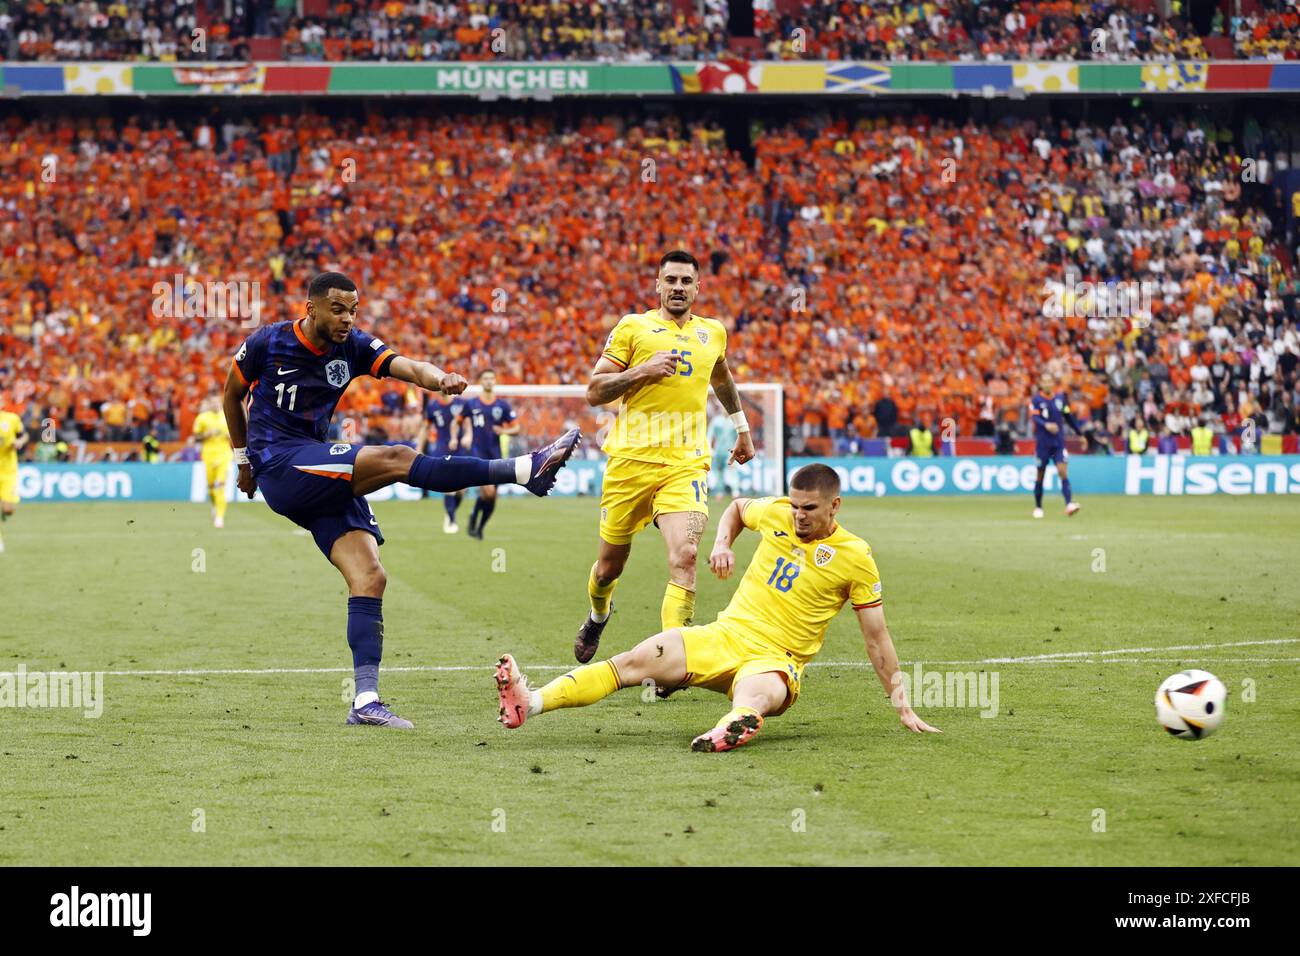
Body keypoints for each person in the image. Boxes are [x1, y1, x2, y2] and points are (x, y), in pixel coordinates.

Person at [223, 272, 580, 729]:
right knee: (396, 457)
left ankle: (364, 701)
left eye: (354, 309)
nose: (348, 318)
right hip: (279, 462)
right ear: (310, 308)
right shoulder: (268, 342)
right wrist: (244, 461)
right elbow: (232, 394)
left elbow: (404, 364)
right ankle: (524, 470)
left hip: (313, 466)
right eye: (338, 309)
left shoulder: (351, 346)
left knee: (370, 576)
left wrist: (439, 379)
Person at [495, 463, 940, 751]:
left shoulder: (855, 556)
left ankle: (733, 725)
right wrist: (723, 544)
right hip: (724, 635)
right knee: (631, 661)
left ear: (834, 506)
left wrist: (900, 700)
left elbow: (876, 635)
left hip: (777, 659)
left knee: (757, 693)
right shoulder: (778, 513)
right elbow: (737, 509)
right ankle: (528, 703)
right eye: (796, 505)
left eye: (810, 508)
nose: (799, 515)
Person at [574, 250, 755, 664]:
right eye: (670, 280)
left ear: (697, 287)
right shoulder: (633, 328)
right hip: (629, 464)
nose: (677, 287)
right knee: (608, 568)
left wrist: (742, 428)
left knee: (686, 555)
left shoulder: (713, 333)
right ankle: (599, 614)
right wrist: (642, 371)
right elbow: (594, 392)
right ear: (658, 285)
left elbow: (722, 377)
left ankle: (673, 657)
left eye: (685, 281)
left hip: (685, 464)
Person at [457, 369, 519, 540]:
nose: (489, 381)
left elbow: (517, 428)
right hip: (477, 453)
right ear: (480, 381)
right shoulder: (471, 404)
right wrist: (465, 435)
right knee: (489, 492)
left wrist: (504, 430)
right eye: (486, 378)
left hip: (496, 453)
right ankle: (475, 521)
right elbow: (458, 422)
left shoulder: (502, 406)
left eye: (492, 378)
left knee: (490, 498)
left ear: (495, 381)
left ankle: (478, 524)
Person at [1030, 372, 1082, 518]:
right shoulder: (1036, 400)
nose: (1047, 383)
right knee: (1040, 475)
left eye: (1049, 381)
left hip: (1058, 443)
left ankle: (1069, 504)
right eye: (1044, 381)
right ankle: (1038, 507)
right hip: (1043, 444)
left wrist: (1080, 434)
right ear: (1041, 384)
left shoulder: (1060, 398)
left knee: (1062, 471)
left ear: (1053, 383)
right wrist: (1046, 425)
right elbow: (1035, 417)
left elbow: (1068, 417)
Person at [420, 391, 466, 533]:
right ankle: (451, 520)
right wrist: (419, 447)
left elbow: (467, 423)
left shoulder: (460, 403)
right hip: (442, 448)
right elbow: (425, 428)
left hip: (459, 448)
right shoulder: (433, 406)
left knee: (462, 490)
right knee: (450, 485)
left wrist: (468, 437)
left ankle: (450, 512)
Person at [190, 395, 233, 528]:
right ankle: (215, 506)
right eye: (212, 403)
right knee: (210, 489)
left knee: (220, 487)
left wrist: (229, 436)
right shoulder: (202, 418)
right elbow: (196, 437)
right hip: (208, 455)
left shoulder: (227, 417)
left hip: (224, 455)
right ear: (209, 405)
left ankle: (219, 518)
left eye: (217, 403)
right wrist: (206, 435)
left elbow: (235, 434)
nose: (215, 405)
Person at [0, 401, 28, 554]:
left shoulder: (11, 419)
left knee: (8, 509)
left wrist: (19, 442)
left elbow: (24, 435)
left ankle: (3, 512)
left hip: (8, 470)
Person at [706, 407, 738, 500]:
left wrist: (737, 450)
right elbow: (710, 434)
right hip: (718, 450)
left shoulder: (734, 421)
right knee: (719, 471)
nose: (725, 410)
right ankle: (719, 491)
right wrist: (709, 448)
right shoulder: (716, 420)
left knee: (732, 470)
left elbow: (738, 437)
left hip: (730, 451)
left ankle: (735, 491)